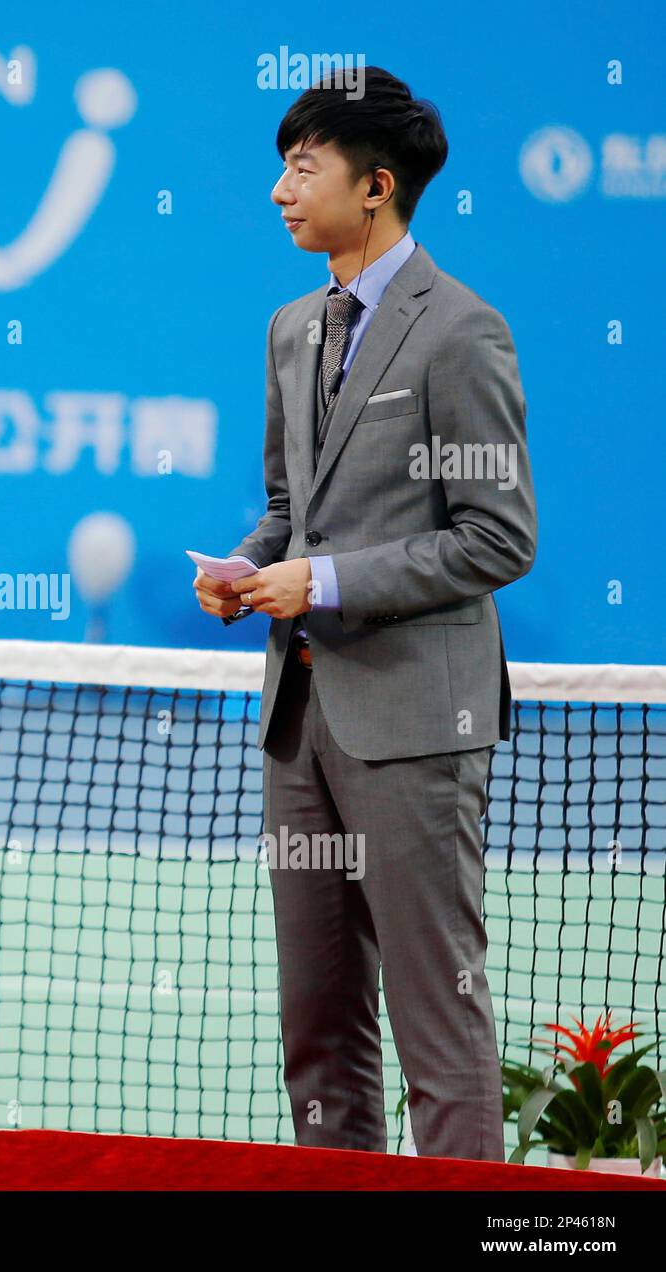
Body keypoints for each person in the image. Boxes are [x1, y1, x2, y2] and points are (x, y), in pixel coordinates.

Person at [193, 69, 537, 1160]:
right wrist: (250, 565)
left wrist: (326, 583)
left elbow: (499, 536)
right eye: (282, 166)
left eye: (303, 168)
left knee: (437, 1017)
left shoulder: (461, 331)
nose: (278, 191)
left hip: (414, 728)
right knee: (317, 1020)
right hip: (299, 720)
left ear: (376, 186)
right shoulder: (292, 326)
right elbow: (294, 508)